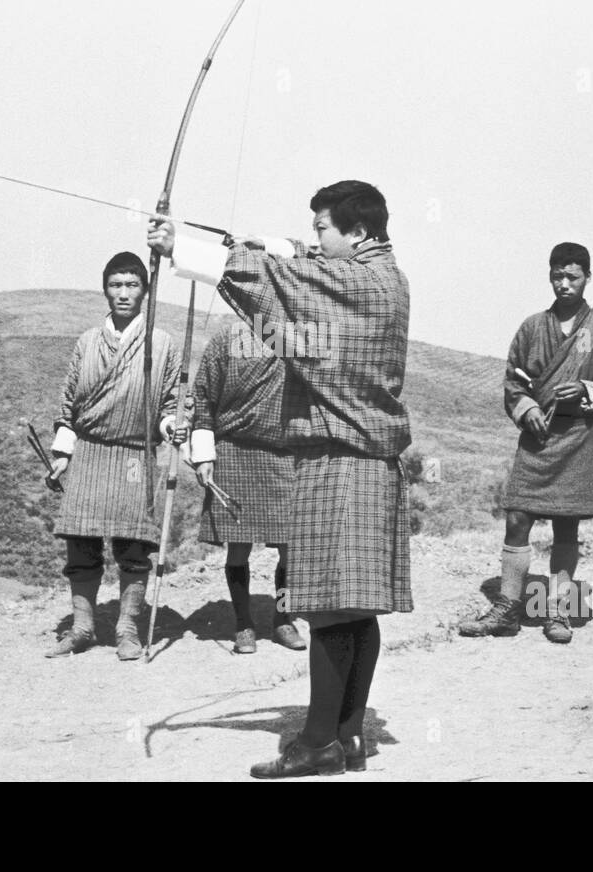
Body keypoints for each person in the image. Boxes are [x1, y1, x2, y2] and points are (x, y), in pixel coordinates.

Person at [149, 179, 412, 779]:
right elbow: (294, 261)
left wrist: (181, 249)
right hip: (360, 462)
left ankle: (318, 742)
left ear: (359, 233)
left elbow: (285, 280)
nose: (315, 240)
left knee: (324, 605)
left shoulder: (359, 282)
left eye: (324, 228)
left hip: (342, 463)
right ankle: (347, 736)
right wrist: (253, 242)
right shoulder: (380, 275)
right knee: (355, 609)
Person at [459, 242, 593, 644]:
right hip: (537, 439)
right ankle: (508, 609)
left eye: (573, 276)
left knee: (566, 526)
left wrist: (585, 389)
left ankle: (558, 611)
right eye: (557, 276)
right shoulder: (532, 327)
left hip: (577, 438)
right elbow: (513, 380)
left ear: (587, 277)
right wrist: (527, 407)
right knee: (517, 517)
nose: (564, 284)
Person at [45, 251, 181, 662]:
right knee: (81, 545)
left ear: (146, 290)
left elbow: (172, 402)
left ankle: (127, 628)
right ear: (105, 289)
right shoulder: (88, 342)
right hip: (88, 450)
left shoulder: (161, 342)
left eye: (132, 284)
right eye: (116, 285)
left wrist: (172, 424)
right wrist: (63, 454)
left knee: (133, 547)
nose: (123, 293)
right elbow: (68, 406)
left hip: (133, 454)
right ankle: (83, 627)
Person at [190, 317, 306, 654]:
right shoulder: (229, 336)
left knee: (290, 548)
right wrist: (204, 455)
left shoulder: (294, 336)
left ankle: (283, 618)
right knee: (238, 547)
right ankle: (243, 623)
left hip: (283, 454)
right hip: (234, 451)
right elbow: (203, 397)